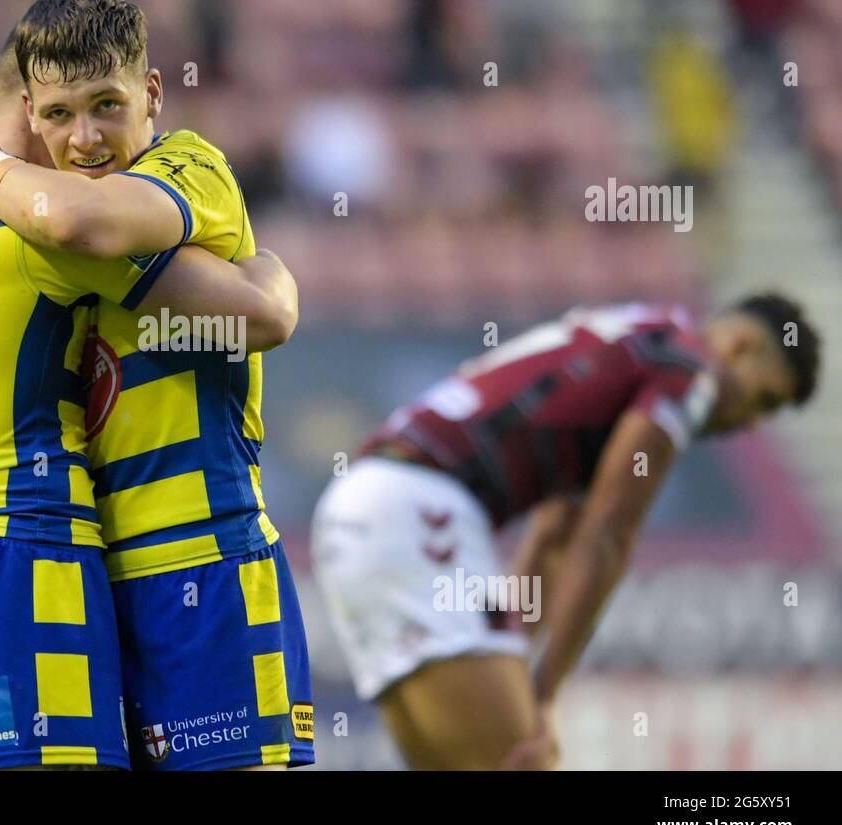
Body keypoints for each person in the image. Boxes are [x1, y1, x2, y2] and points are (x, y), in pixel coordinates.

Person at [0, 0, 314, 770]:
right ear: (31, 113)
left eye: (108, 106)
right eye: (62, 115)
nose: (87, 138)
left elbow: (252, 313)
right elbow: (260, 305)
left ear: (152, 94)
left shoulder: (186, 166)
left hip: (202, 565)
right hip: (91, 573)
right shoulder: (36, 230)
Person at [311, 298, 819, 770]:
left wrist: (516, 668)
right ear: (739, 346)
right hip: (421, 513)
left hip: (362, 512)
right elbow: (606, 537)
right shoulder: (689, 372)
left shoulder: (633, 337)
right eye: (764, 399)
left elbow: (554, 535)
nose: (750, 422)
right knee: (520, 758)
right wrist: (543, 695)